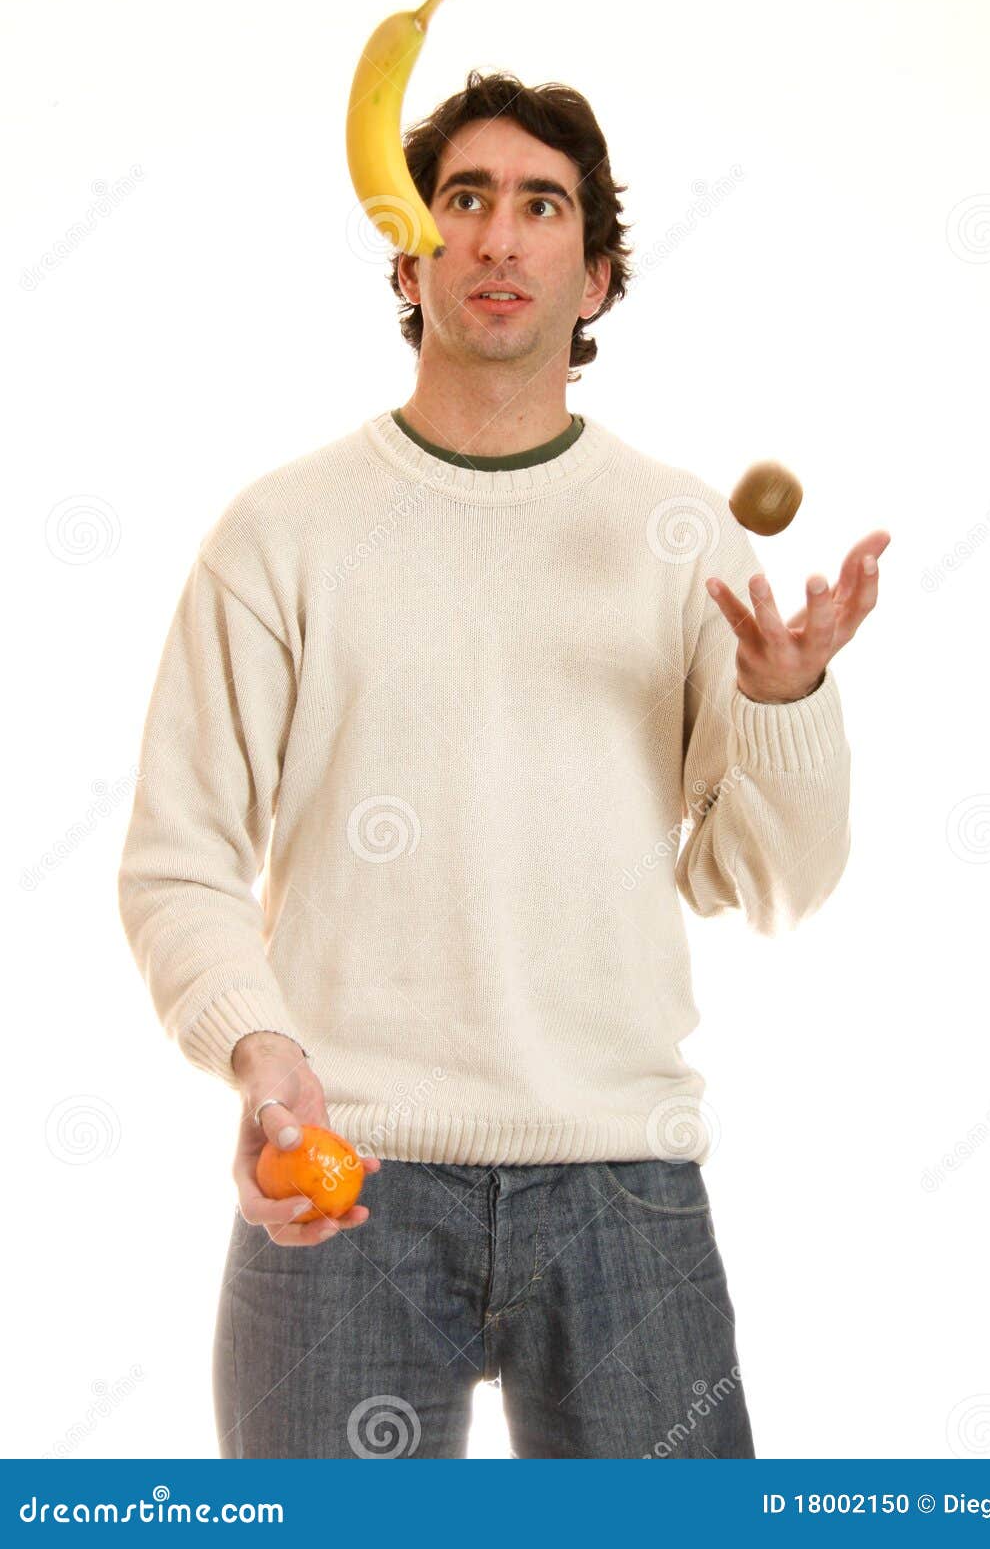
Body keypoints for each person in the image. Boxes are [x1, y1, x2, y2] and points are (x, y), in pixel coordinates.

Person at [117, 70, 888, 1459]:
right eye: (463, 199)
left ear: (594, 279)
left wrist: (791, 696)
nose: (499, 236)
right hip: (344, 1179)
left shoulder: (682, 536)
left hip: (623, 1189)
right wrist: (260, 1047)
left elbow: (770, 883)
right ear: (410, 254)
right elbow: (180, 859)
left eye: (544, 207)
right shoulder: (279, 533)